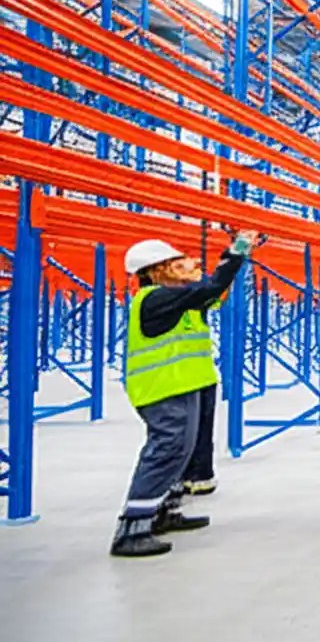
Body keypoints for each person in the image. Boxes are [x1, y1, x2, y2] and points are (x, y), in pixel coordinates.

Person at [110, 231, 259, 558]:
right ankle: (131, 528)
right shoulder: (155, 298)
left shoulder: (177, 299)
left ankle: (163, 511)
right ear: (154, 271)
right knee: (166, 449)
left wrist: (235, 262)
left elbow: (212, 294)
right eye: (173, 263)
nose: (184, 265)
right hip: (162, 388)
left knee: (183, 451)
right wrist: (237, 251)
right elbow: (210, 288)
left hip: (184, 386)